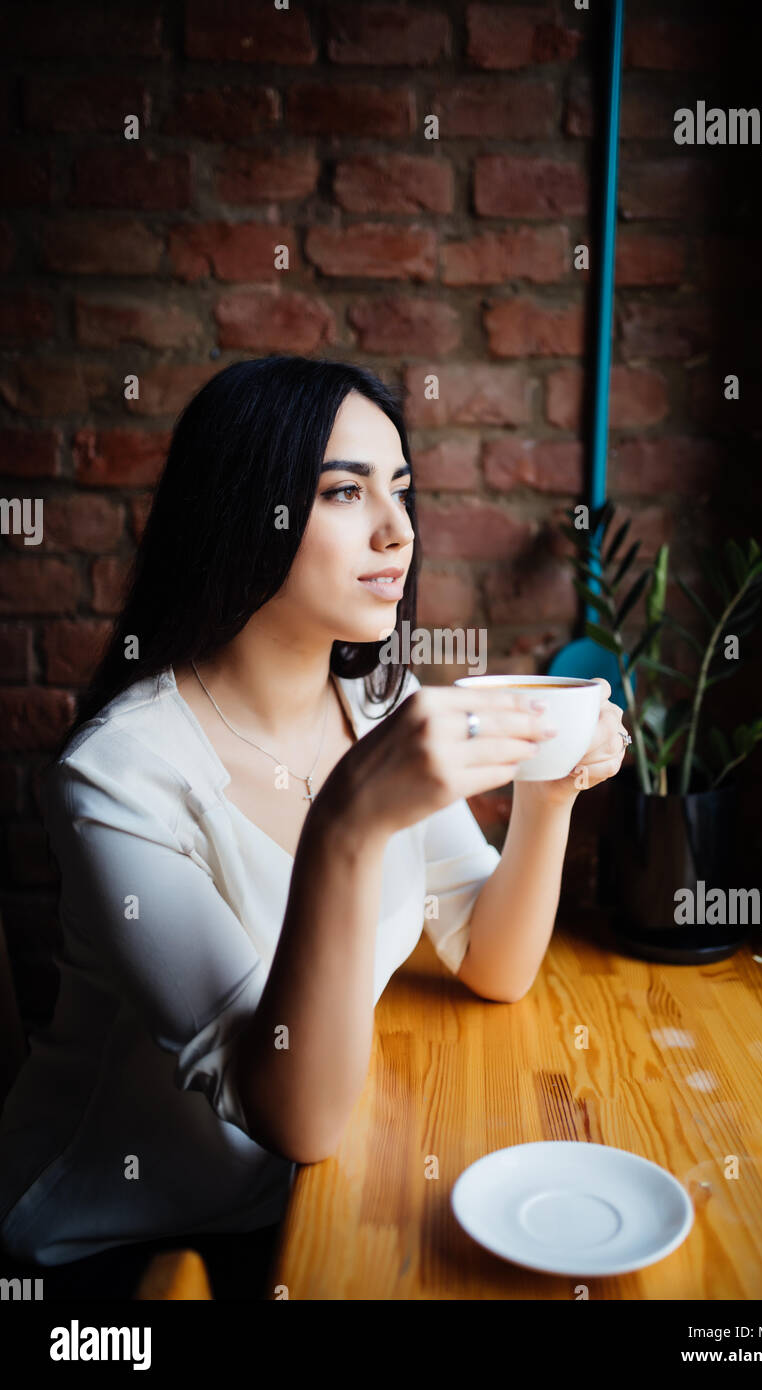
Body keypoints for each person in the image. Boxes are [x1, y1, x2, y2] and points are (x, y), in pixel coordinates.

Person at [0, 355, 628, 1298]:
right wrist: (346, 825)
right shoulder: (119, 776)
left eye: (403, 492)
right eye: (344, 492)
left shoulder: (379, 709)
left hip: (312, 1198)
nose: (397, 530)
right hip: (131, 1248)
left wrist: (549, 792)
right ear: (246, 511)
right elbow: (290, 1110)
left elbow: (492, 962)